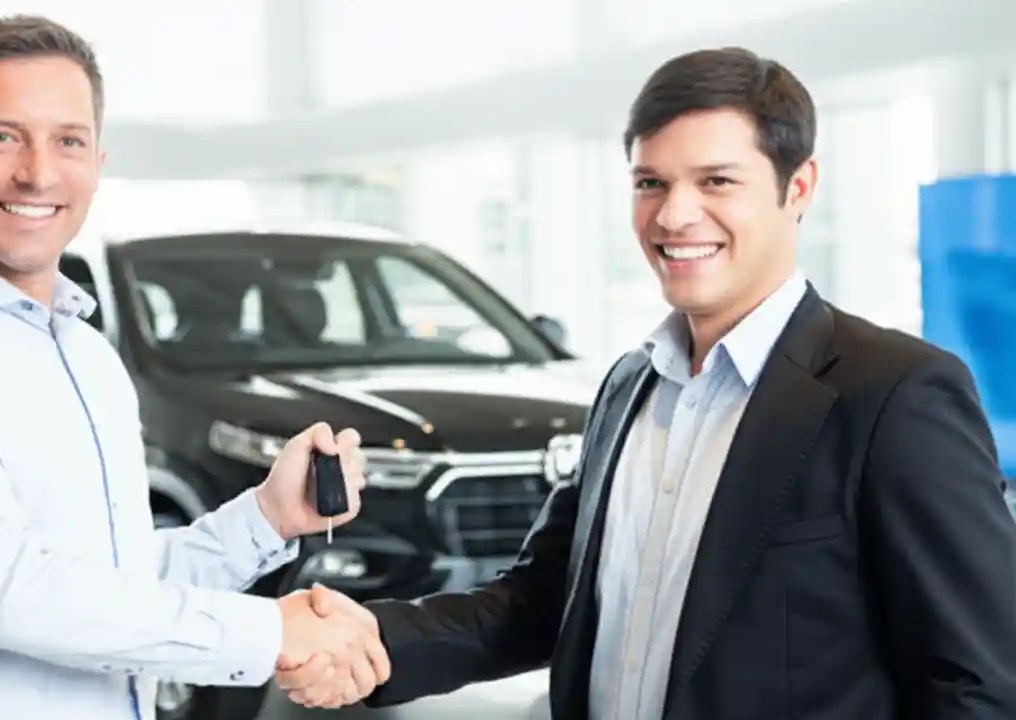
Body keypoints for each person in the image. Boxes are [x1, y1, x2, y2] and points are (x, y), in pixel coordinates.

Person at [283, 46, 1016, 718]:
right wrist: (375, 636)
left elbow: (978, 682)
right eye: (651, 182)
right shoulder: (631, 384)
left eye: (716, 181)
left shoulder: (893, 394)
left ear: (799, 187)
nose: (673, 215)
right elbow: (545, 603)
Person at [0, 15, 388, 720]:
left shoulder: (85, 354)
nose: (38, 171)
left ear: (97, 165)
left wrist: (267, 517)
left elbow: (116, 586)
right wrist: (271, 633)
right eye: (2, 136)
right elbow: (5, 596)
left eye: (68, 141)